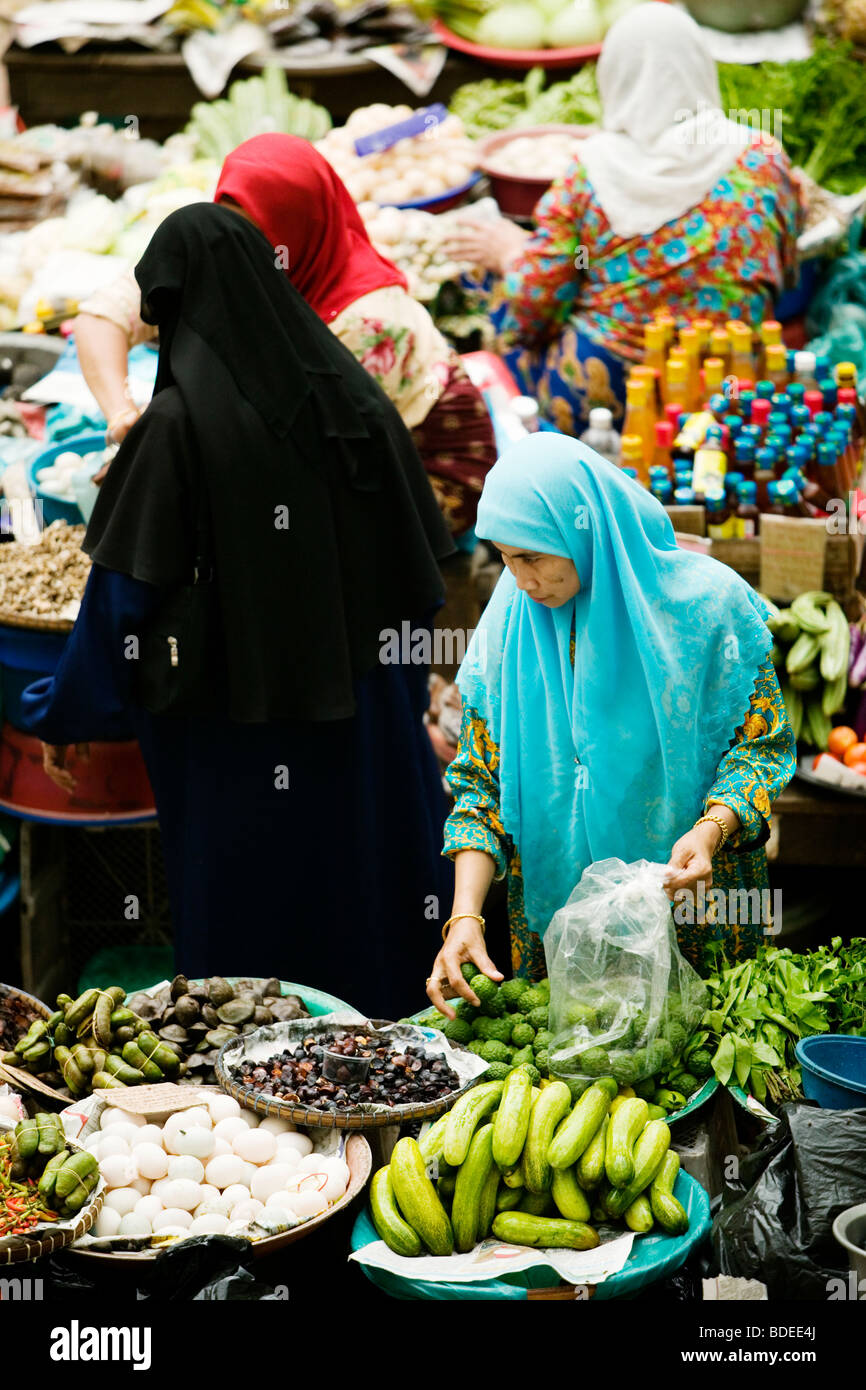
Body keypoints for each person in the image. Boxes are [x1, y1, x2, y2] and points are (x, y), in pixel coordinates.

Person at [22, 202, 456, 1020]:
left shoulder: (177, 429)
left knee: (249, 942)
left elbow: (121, 597)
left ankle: (255, 1089)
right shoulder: (357, 404)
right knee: (359, 897)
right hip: (362, 724)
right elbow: (421, 577)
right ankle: (381, 1063)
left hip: (232, 745)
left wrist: (62, 710)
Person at [425, 433, 796, 1016]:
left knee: (698, 1062)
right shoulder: (509, 625)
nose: (519, 579)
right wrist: (465, 914)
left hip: (688, 907)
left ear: (585, 532)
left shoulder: (705, 608)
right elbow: (479, 785)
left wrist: (711, 830)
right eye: (503, 556)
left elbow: (760, 749)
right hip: (564, 929)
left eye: (532, 556)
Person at [75, 134, 496, 534]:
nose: (240, 254)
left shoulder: (368, 323)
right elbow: (103, 316)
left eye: (259, 240)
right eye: (231, 231)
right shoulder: (226, 252)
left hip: (425, 472)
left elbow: (287, 452)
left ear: (297, 232)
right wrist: (121, 415)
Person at [447, 2, 804, 436]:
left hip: (608, 396)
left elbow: (533, 309)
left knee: (487, 284)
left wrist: (509, 257)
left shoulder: (590, 173)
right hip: (730, 384)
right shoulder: (763, 159)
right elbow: (785, 272)